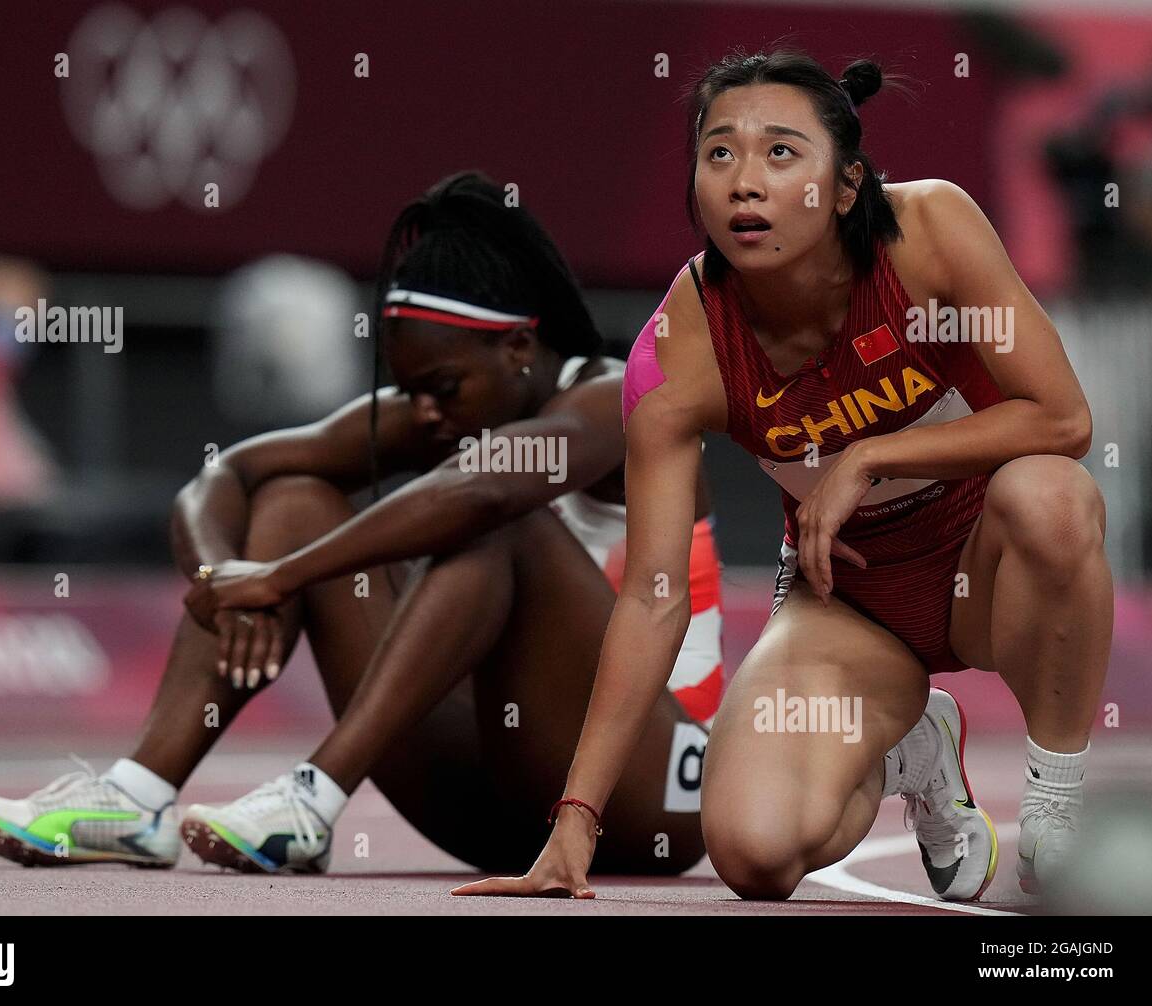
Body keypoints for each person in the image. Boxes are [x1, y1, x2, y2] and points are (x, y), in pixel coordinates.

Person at [454, 51, 1109, 902]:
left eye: (781, 153)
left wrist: (871, 455)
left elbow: (1065, 420)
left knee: (1052, 496)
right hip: (852, 600)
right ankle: (913, 746)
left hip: (988, 565)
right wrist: (575, 820)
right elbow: (653, 593)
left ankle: (1056, 806)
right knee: (754, 854)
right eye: (719, 153)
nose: (744, 183)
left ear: (847, 187)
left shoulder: (932, 232)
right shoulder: (676, 351)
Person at [0, 171, 724, 876]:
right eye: (410, 388)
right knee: (294, 500)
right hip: (498, 805)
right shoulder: (440, 412)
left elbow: (484, 493)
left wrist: (284, 576)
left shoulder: (615, 398)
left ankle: (313, 799)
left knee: (499, 525)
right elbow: (225, 476)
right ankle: (136, 797)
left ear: (520, 347)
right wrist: (221, 581)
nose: (426, 411)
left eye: (444, 386)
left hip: (648, 799)